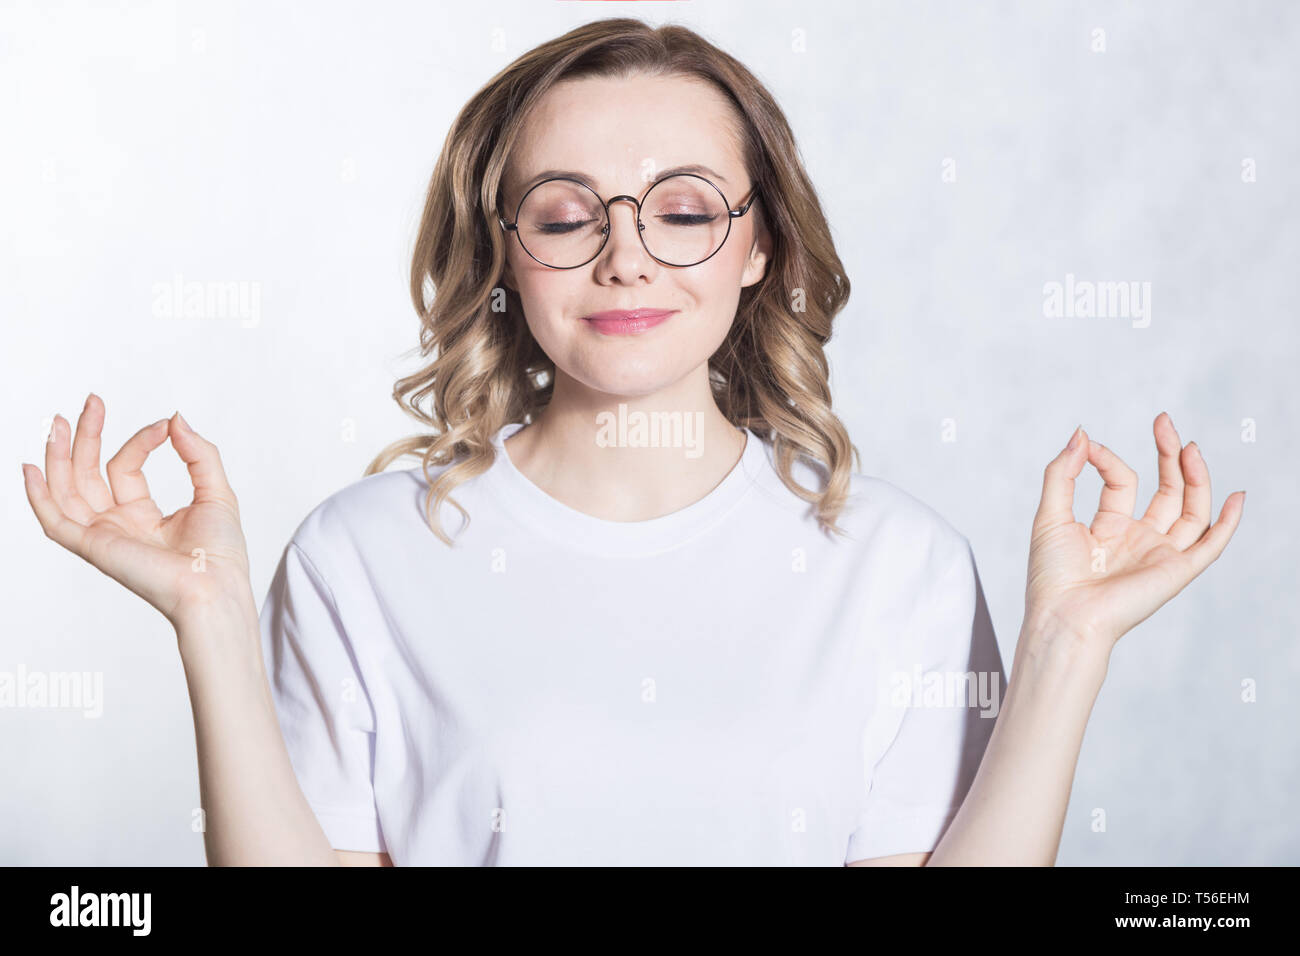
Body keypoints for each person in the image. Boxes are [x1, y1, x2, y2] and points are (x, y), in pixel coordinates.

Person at [20, 18, 1244, 866]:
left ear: (761, 245)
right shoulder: (360, 555)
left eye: (684, 209)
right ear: (502, 249)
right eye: (564, 213)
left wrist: (1067, 641)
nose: (625, 255)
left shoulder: (899, 563)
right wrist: (210, 614)